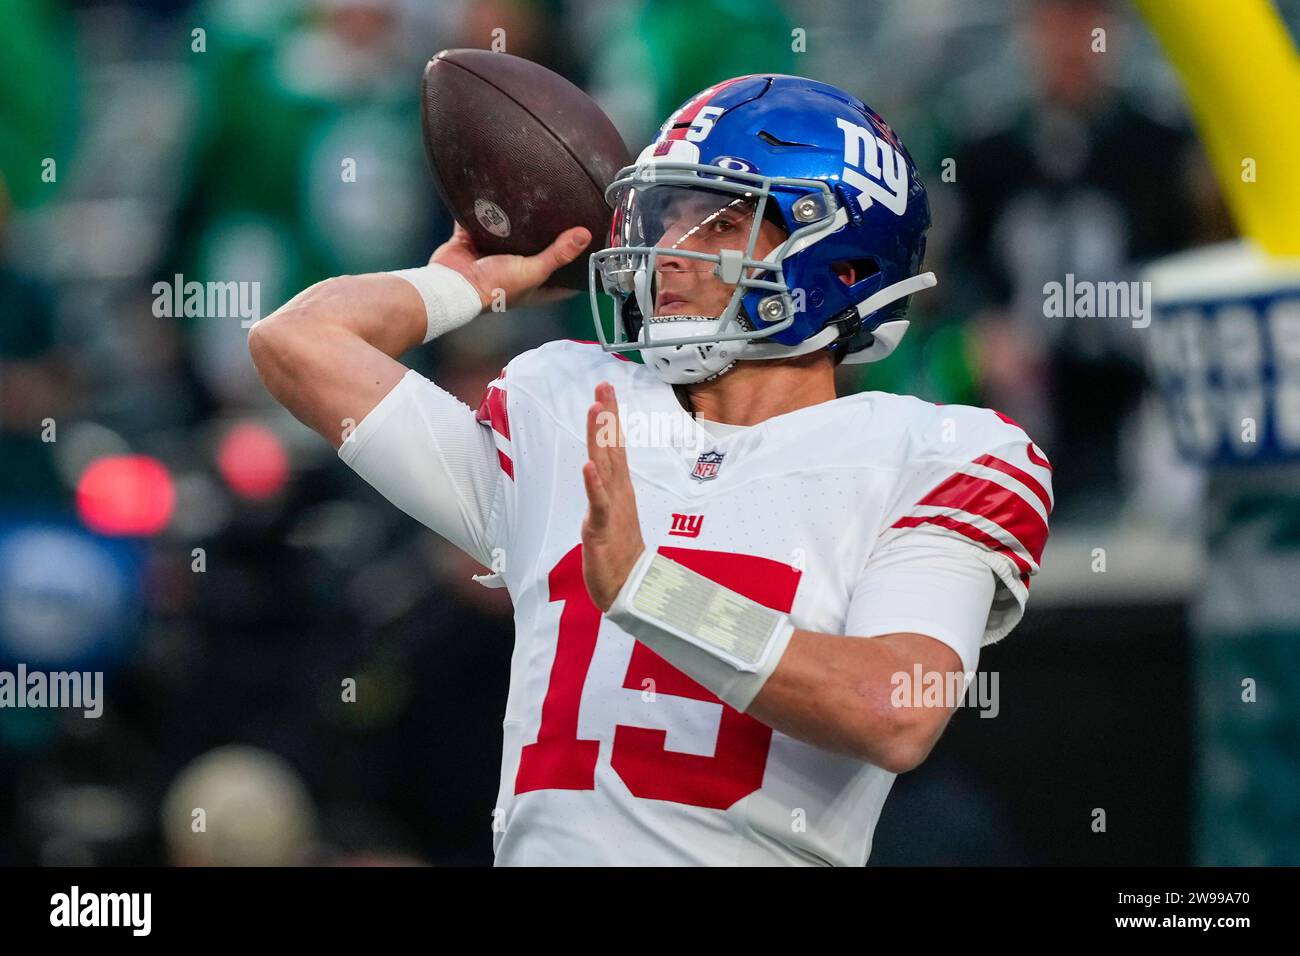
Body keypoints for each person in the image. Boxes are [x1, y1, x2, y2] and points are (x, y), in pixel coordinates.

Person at [249, 75, 1053, 866]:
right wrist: (464, 286)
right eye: (665, 217)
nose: (666, 250)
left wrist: (651, 590)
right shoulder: (573, 403)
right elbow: (295, 344)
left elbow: (893, 707)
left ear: (841, 263)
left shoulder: (936, 453)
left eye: (716, 221)